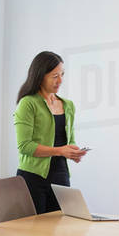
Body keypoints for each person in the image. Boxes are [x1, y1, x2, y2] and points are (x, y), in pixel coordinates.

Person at [13, 51, 87, 213]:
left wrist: (74, 151)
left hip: (60, 176)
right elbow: (25, 146)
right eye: (54, 76)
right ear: (41, 76)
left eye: (62, 74)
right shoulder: (28, 103)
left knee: (60, 230)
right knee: (34, 231)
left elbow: (70, 140)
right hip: (32, 177)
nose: (60, 80)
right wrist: (60, 151)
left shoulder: (68, 105)